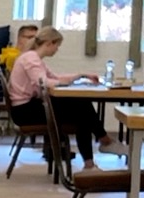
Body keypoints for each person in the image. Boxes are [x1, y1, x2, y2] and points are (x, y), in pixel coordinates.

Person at [7, 28, 127, 171]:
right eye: (57, 46)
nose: (57, 50)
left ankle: (95, 155)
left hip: (29, 107)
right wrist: (64, 84)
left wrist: (81, 75)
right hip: (24, 111)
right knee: (82, 107)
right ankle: (103, 145)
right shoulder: (31, 59)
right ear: (50, 43)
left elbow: (55, 78)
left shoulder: (33, 58)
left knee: (82, 109)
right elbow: (44, 82)